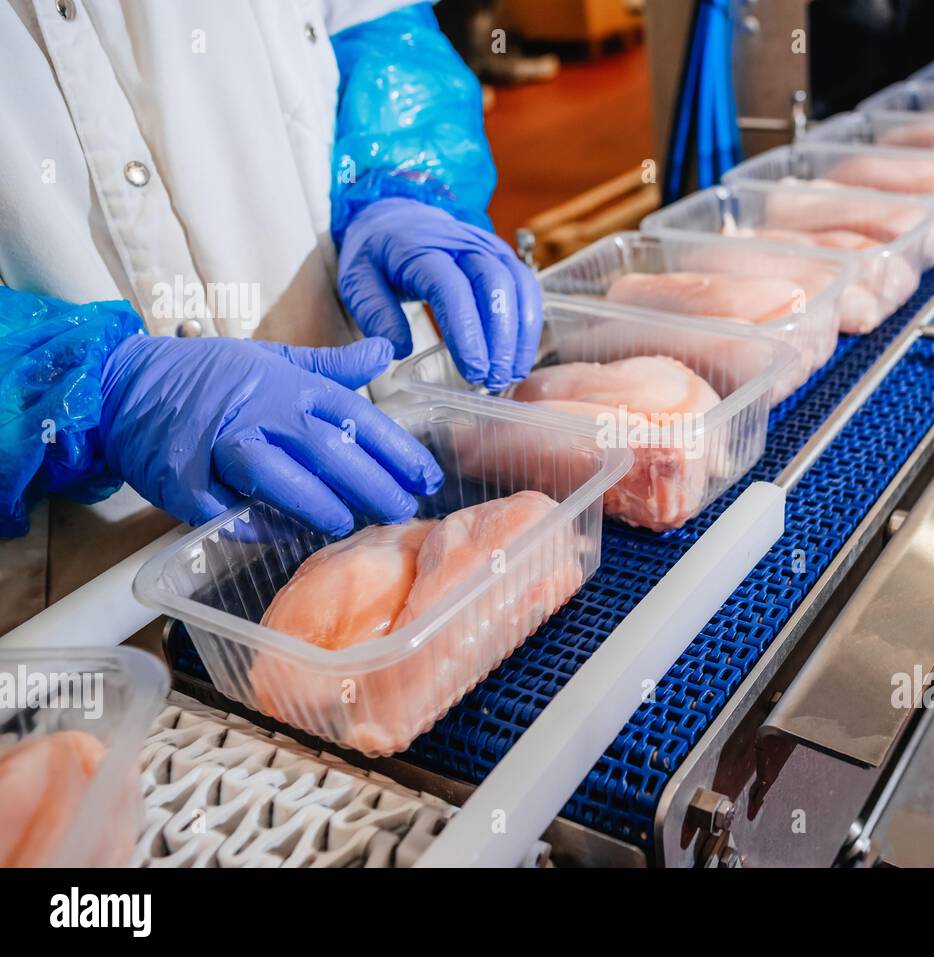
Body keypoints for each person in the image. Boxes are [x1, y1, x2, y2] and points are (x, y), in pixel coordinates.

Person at [0, 0, 542, 631]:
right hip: (85, 599)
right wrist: (87, 384)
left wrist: (401, 184)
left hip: (361, 439)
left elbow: (382, 32)